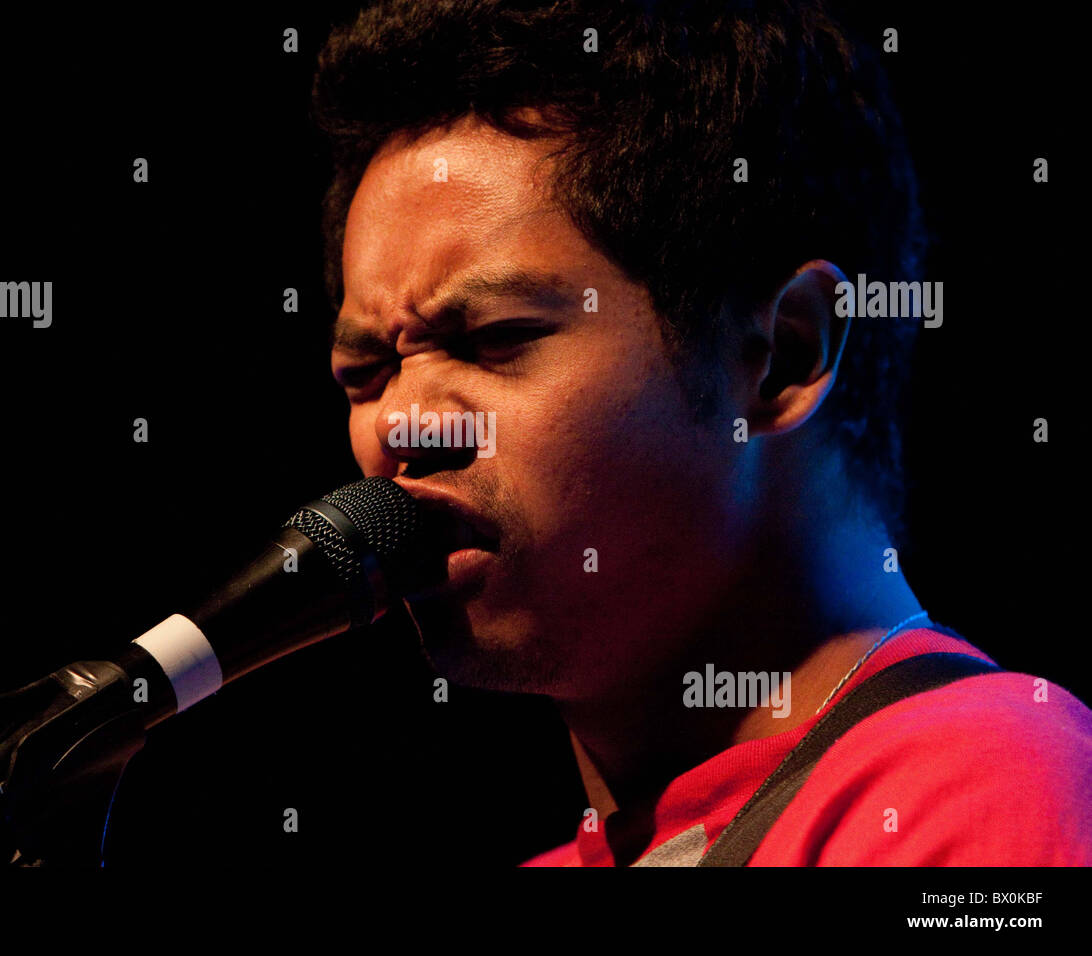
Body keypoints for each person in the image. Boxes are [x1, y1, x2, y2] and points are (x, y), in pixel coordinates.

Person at [312, 0, 1092, 865]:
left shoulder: (993, 795)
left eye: (496, 338)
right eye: (365, 374)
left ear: (782, 356)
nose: (399, 425)